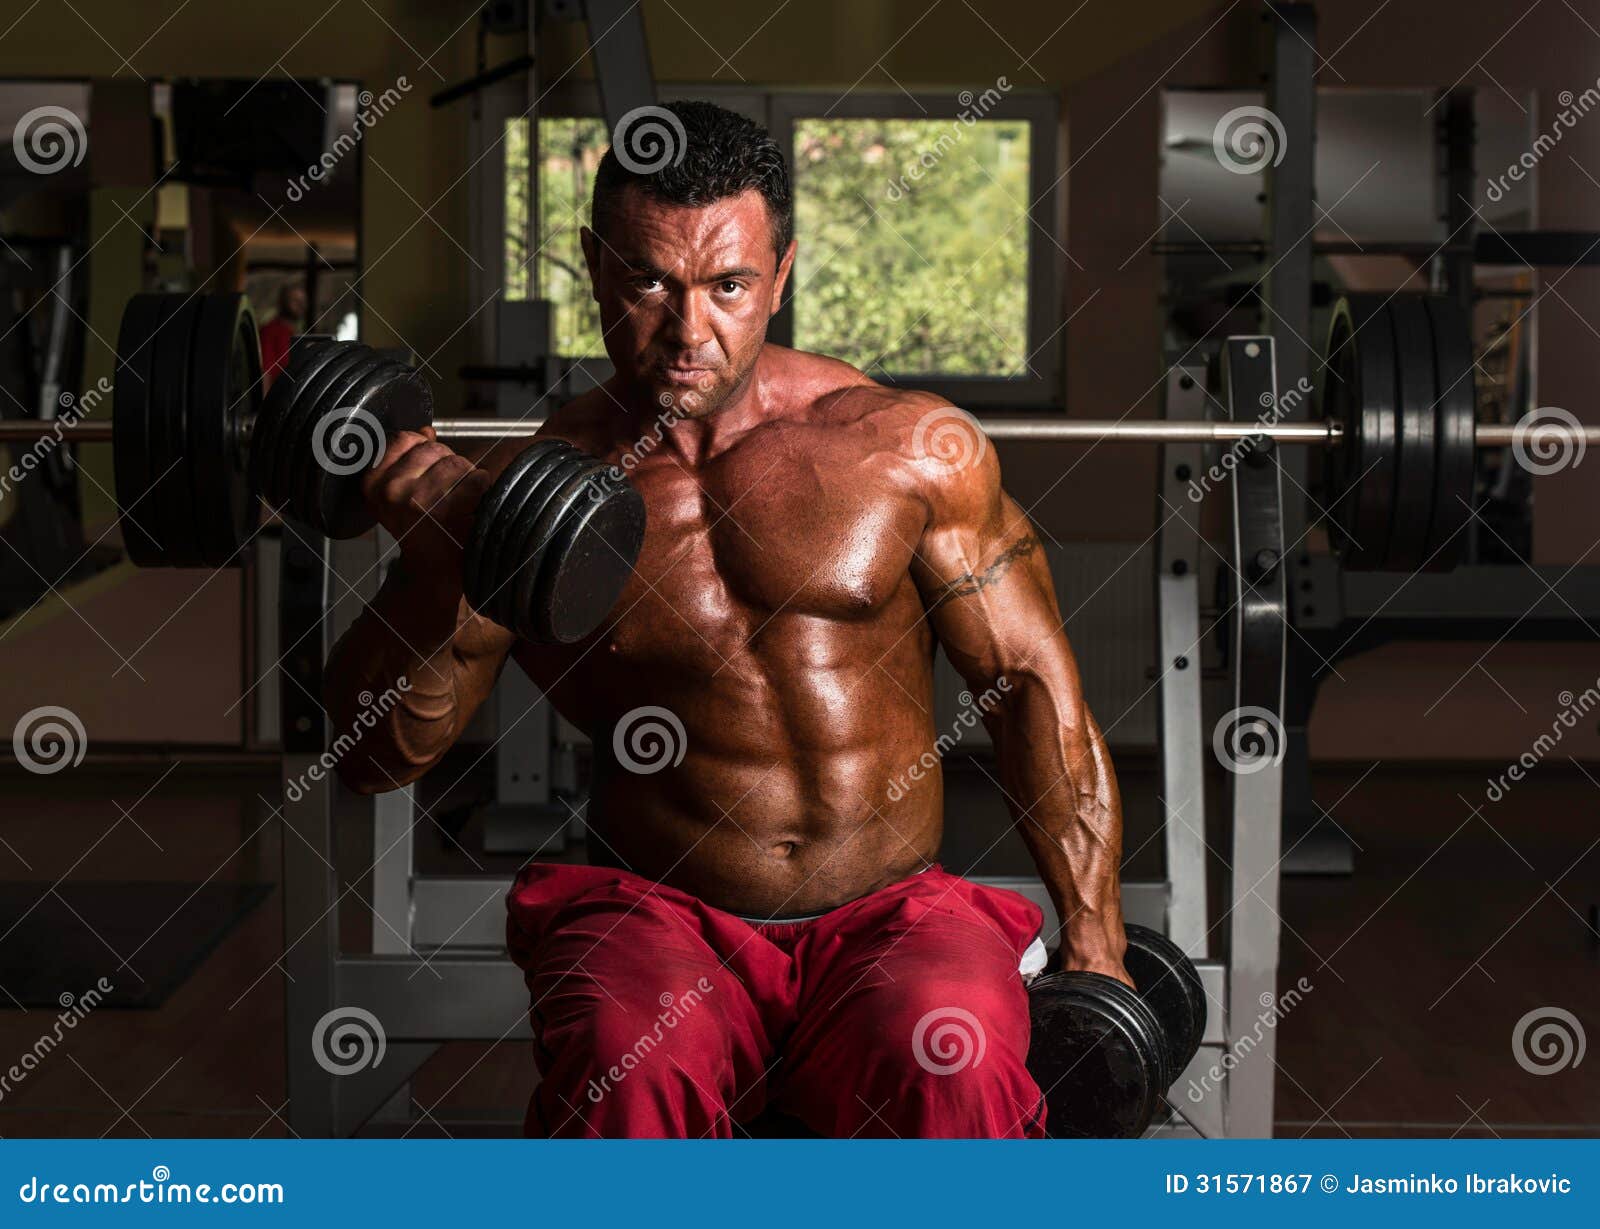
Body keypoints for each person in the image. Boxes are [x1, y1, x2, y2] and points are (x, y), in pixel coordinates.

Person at [325, 100, 1130, 1139]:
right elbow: (374, 752)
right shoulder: (528, 495)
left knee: (953, 1051)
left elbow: (1031, 686)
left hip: (889, 912)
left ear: (781, 276)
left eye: (729, 286)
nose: (687, 332)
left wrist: (1095, 938)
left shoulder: (907, 451)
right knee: (627, 1067)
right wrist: (436, 567)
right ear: (592, 264)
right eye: (648, 282)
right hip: (660, 910)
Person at [259, 281, 307, 388]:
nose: (300, 305)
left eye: (303, 301)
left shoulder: (296, 333)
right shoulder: (269, 331)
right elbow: (265, 373)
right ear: (283, 302)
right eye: (295, 300)